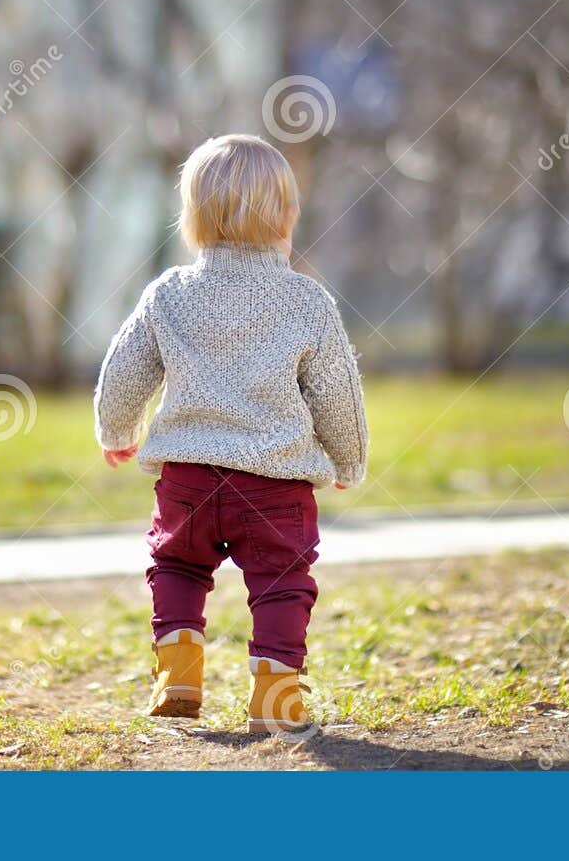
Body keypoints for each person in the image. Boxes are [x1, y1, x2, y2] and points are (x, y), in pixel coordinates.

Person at [94, 133, 368, 737]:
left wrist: (117, 430)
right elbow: (337, 395)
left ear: (192, 219)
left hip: (188, 480)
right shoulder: (307, 301)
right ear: (288, 217)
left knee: (177, 565)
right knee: (280, 579)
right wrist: (348, 459)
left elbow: (123, 373)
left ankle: (179, 672)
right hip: (276, 484)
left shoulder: (170, 294)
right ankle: (275, 691)